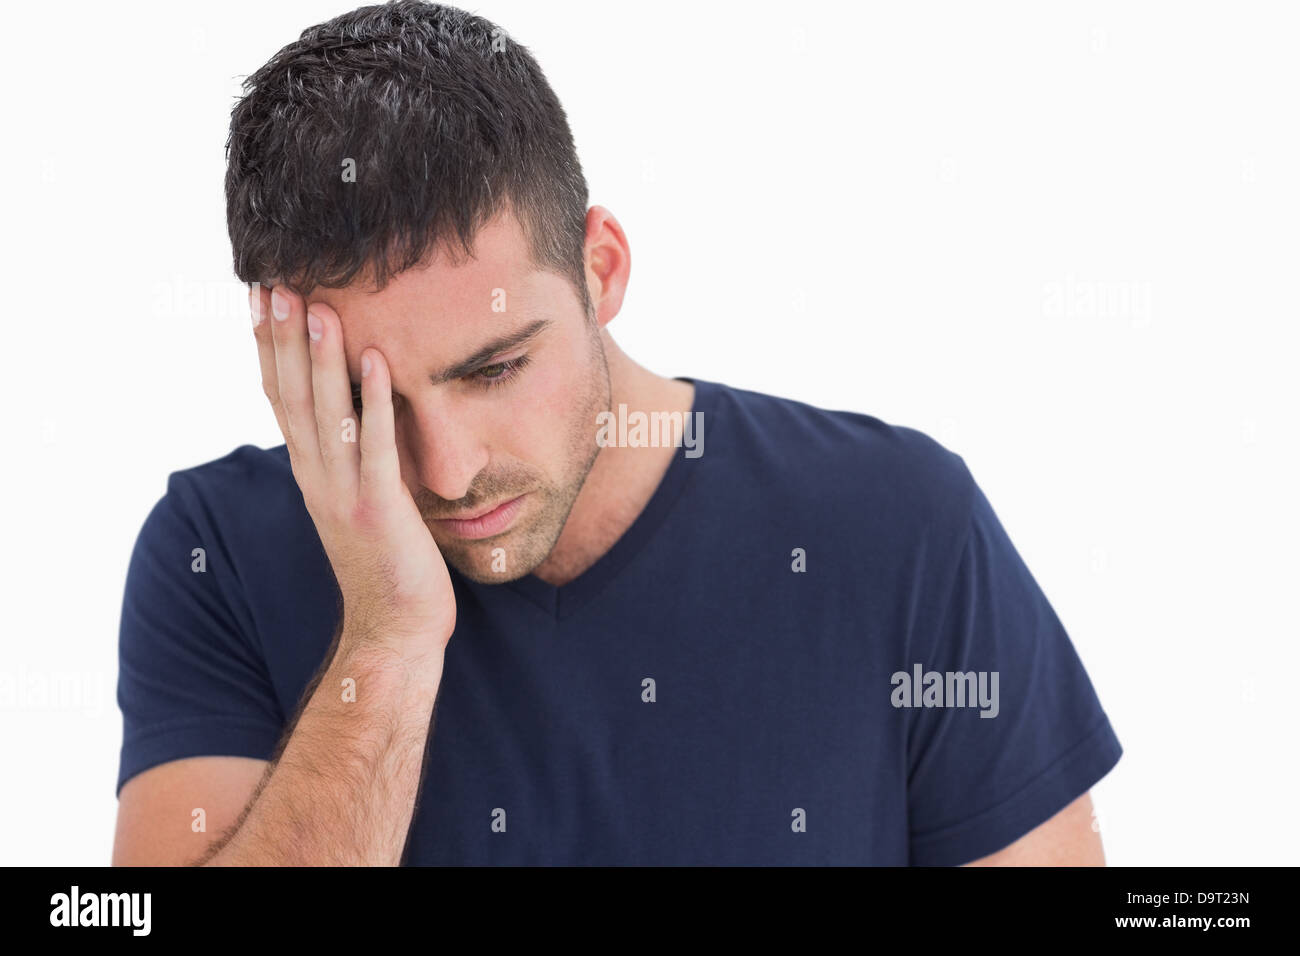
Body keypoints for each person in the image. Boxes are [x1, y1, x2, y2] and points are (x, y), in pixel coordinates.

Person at [112, 0, 1121, 866]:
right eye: (367, 404)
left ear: (600, 269)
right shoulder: (218, 554)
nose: (449, 471)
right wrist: (387, 641)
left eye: (494, 368)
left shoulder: (902, 526)